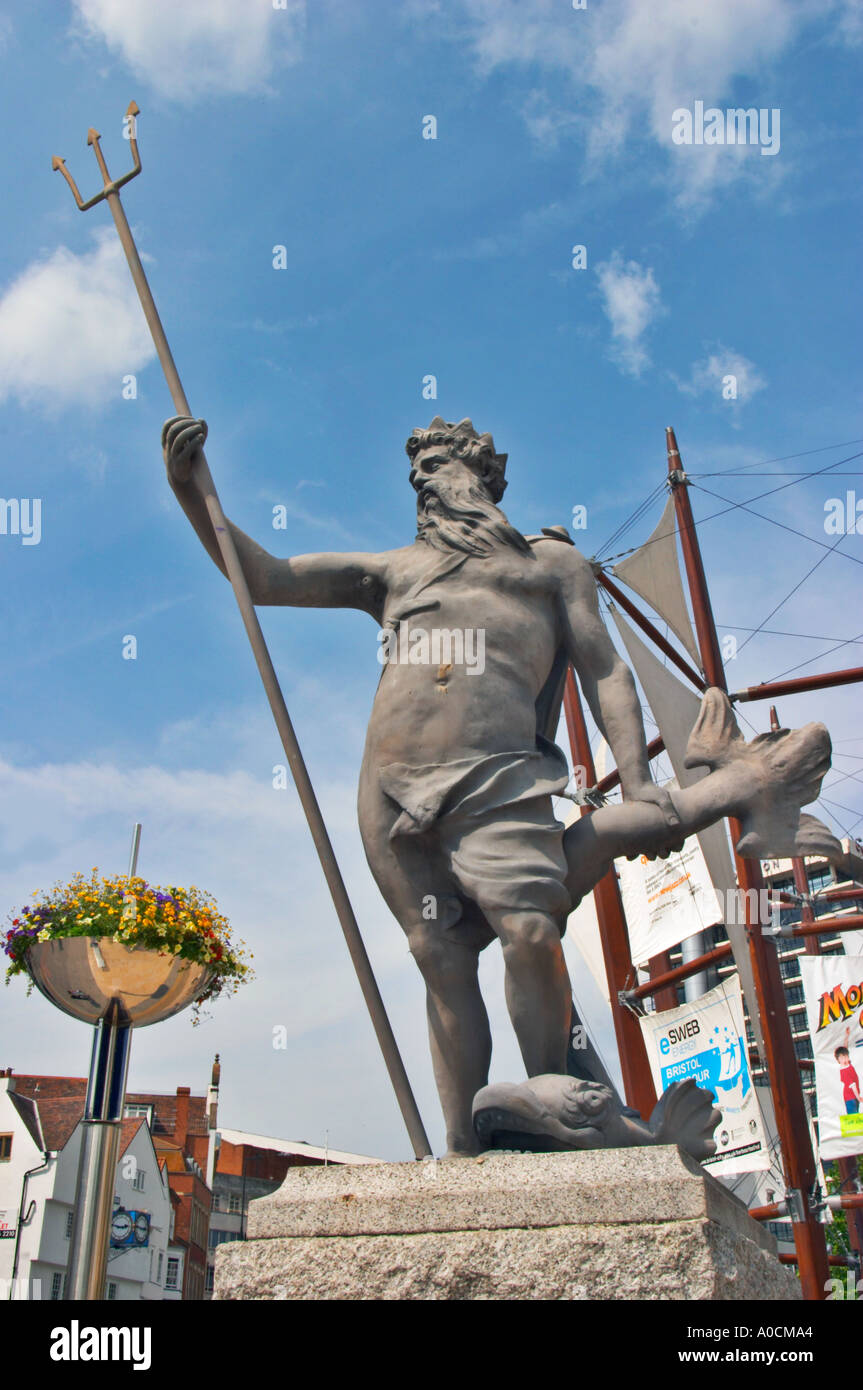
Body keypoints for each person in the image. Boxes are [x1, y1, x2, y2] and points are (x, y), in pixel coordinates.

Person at [163, 413, 836, 1153]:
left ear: (485, 480)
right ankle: (461, 1150)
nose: (424, 479)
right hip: (390, 787)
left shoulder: (547, 566)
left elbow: (604, 668)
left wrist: (639, 777)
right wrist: (192, 490)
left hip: (500, 778)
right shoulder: (392, 571)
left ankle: (563, 1109)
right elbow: (261, 578)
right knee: (440, 960)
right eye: (416, 469)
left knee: (529, 928)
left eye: (441, 464)